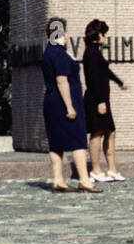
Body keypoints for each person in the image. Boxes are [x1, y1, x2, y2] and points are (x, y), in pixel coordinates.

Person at [41, 17, 99, 193]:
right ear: (63, 33)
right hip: (64, 102)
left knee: (56, 143)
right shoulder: (60, 54)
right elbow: (62, 81)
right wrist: (70, 106)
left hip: (50, 101)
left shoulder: (47, 53)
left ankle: (58, 180)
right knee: (78, 141)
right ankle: (84, 180)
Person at [83, 19, 129, 183]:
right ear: (97, 35)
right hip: (96, 100)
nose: (105, 37)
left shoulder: (95, 51)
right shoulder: (91, 53)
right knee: (97, 133)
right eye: (104, 34)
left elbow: (106, 72)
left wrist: (120, 82)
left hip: (102, 99)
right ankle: (95, 170)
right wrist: (100, 102)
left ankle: (112, 170)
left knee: (110, 132)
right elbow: (93, 80)